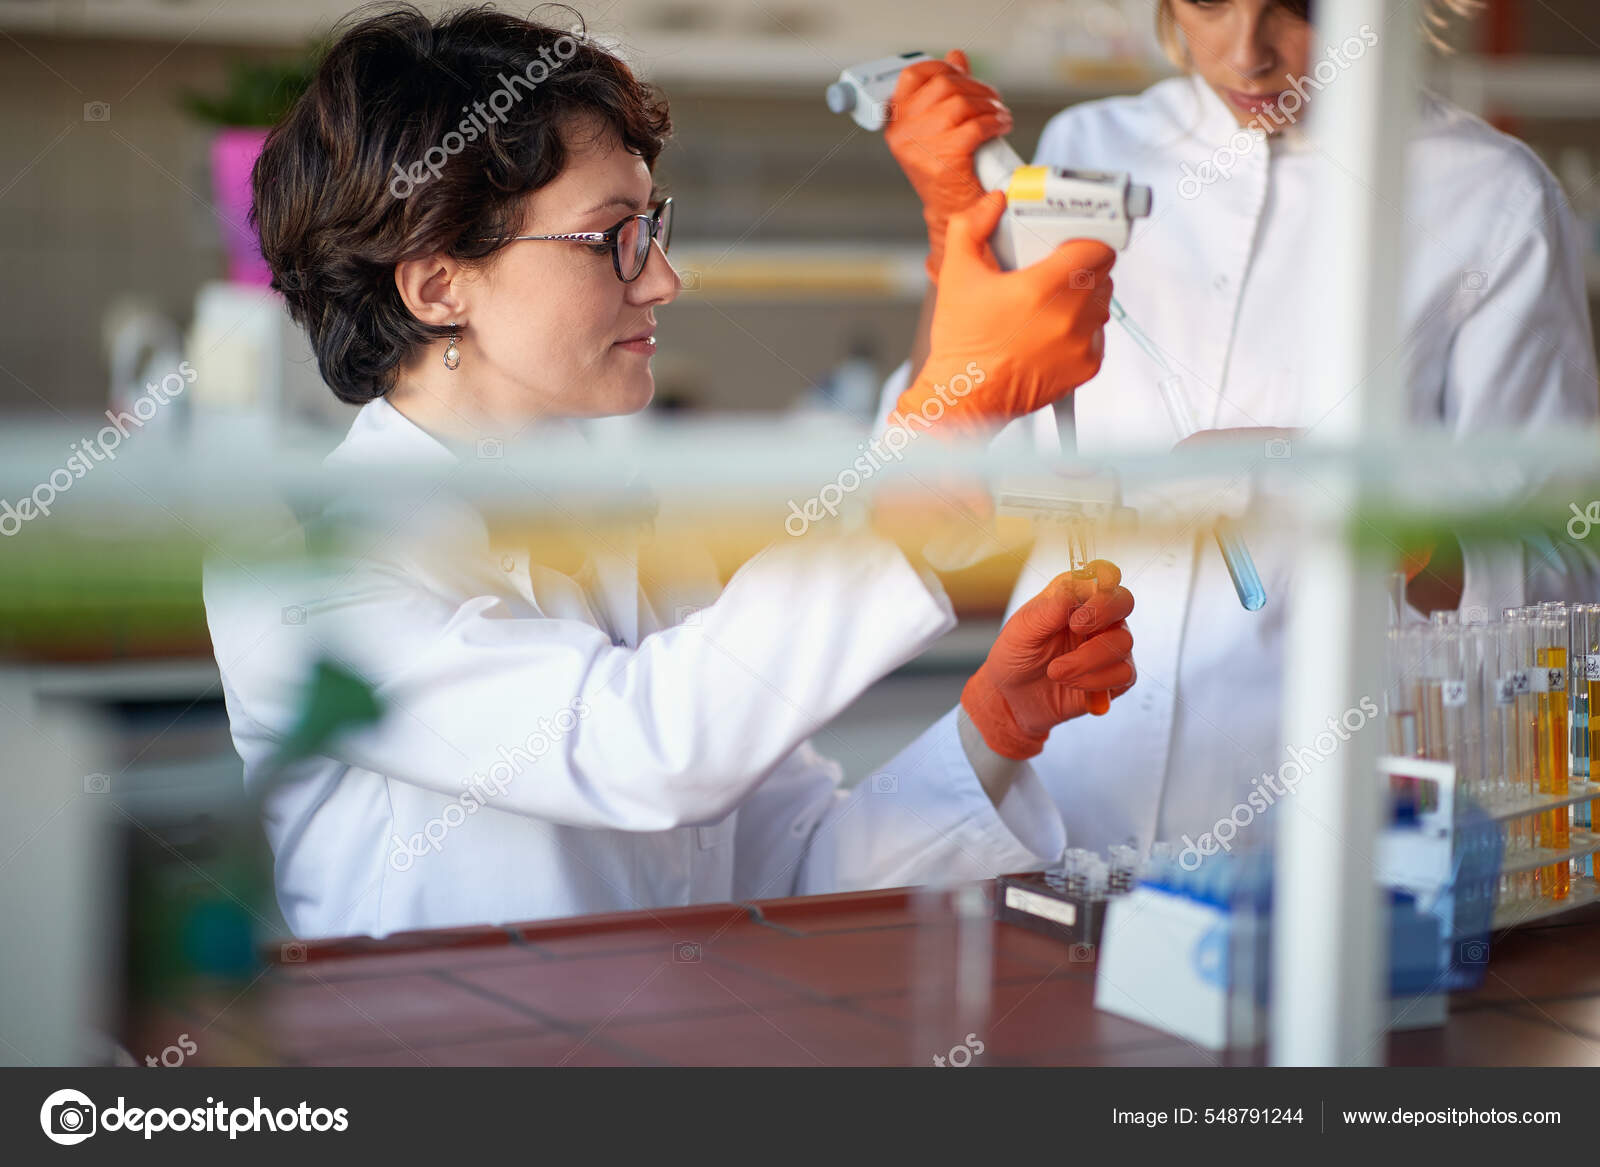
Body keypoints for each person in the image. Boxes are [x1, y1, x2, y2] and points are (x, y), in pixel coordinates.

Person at [202, 5, 1135, 939]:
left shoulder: (630, 526)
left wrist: (993, 732)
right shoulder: (300, 564)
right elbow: (639, 748)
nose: (662, 279)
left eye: (652, 224)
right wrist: (942, 431)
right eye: (612, 235)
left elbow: (795, 868)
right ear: (439, 283)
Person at [880, 0, 1600, 853]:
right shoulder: (1086, 151)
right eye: (1210, 3)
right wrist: (953, 236)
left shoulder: (1490, 199)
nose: (1249, 55)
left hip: (1317, 833)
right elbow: (936, 477)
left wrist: (1365, 504)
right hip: (1062, 793)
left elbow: (1568, 573)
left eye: (1299, 9)